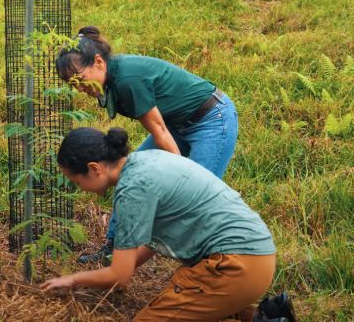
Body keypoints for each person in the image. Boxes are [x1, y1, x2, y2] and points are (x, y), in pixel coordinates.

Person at [40, 128, 293, 322]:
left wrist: (73, 279)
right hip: (259, 256)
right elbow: (148, 245)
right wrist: (111, 271)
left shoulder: (132, 191)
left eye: (76, 182)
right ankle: (266, 315)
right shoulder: (147, 160)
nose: (80, 190)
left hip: (234, 266)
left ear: (94, 168)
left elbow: (120, 277)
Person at [56, 26, 239, 265]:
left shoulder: (128, 80)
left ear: (99, 62)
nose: (80, 88)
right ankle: (113, 249)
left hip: (211, 120)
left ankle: (214, 263)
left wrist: (182, 176)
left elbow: (159, 131)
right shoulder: (111, 78)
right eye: (73, 85)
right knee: (127, 175)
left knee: (195, 197)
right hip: (176, 124)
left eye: (80, 79)